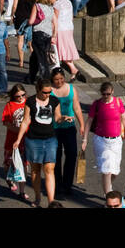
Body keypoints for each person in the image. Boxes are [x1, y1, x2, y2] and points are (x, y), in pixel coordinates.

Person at [14, 78, 60, 207]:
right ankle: (38, 197)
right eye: (45, 92)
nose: (47, 95)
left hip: (50, 139)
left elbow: (57, 117)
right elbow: (25, 121)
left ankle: (51, 201)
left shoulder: (54, 101)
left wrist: (62, 118)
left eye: (49, 92)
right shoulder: (30, 101)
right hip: (34, 139)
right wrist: (18, 139)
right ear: (38, 90)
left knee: (49, 169)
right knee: (35, 170)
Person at [87, 81, 125, 195]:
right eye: (103, 94)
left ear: (112, 92)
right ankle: (108, 197)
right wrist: (84, 139)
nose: (106, 96)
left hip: (116, 141)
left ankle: (107, 186)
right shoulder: (97, 104)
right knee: (107, 170)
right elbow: (89, 121)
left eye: (108, 94)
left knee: (115, 171)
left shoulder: (118, 102)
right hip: (101, 140)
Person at [49, 66, 85, 198]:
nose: (59, 82)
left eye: (61, 79)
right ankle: (58, 185)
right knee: (56, 157)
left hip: (69, 127)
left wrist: (81, 125)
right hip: (54, 128)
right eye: (56, 79)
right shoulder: (50, 90)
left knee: (71, 154)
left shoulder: (71, 89)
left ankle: (67, 185)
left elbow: (76, 107)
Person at [52, 0, 79, 79]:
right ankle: (73, 70)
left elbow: (55, 18)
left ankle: (73, 69)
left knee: (60, 50)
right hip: (69, 27)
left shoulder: (57, 4)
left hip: (61, 28)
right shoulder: (69, 2)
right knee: (67, 48)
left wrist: (53, 33)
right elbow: (71, 16)